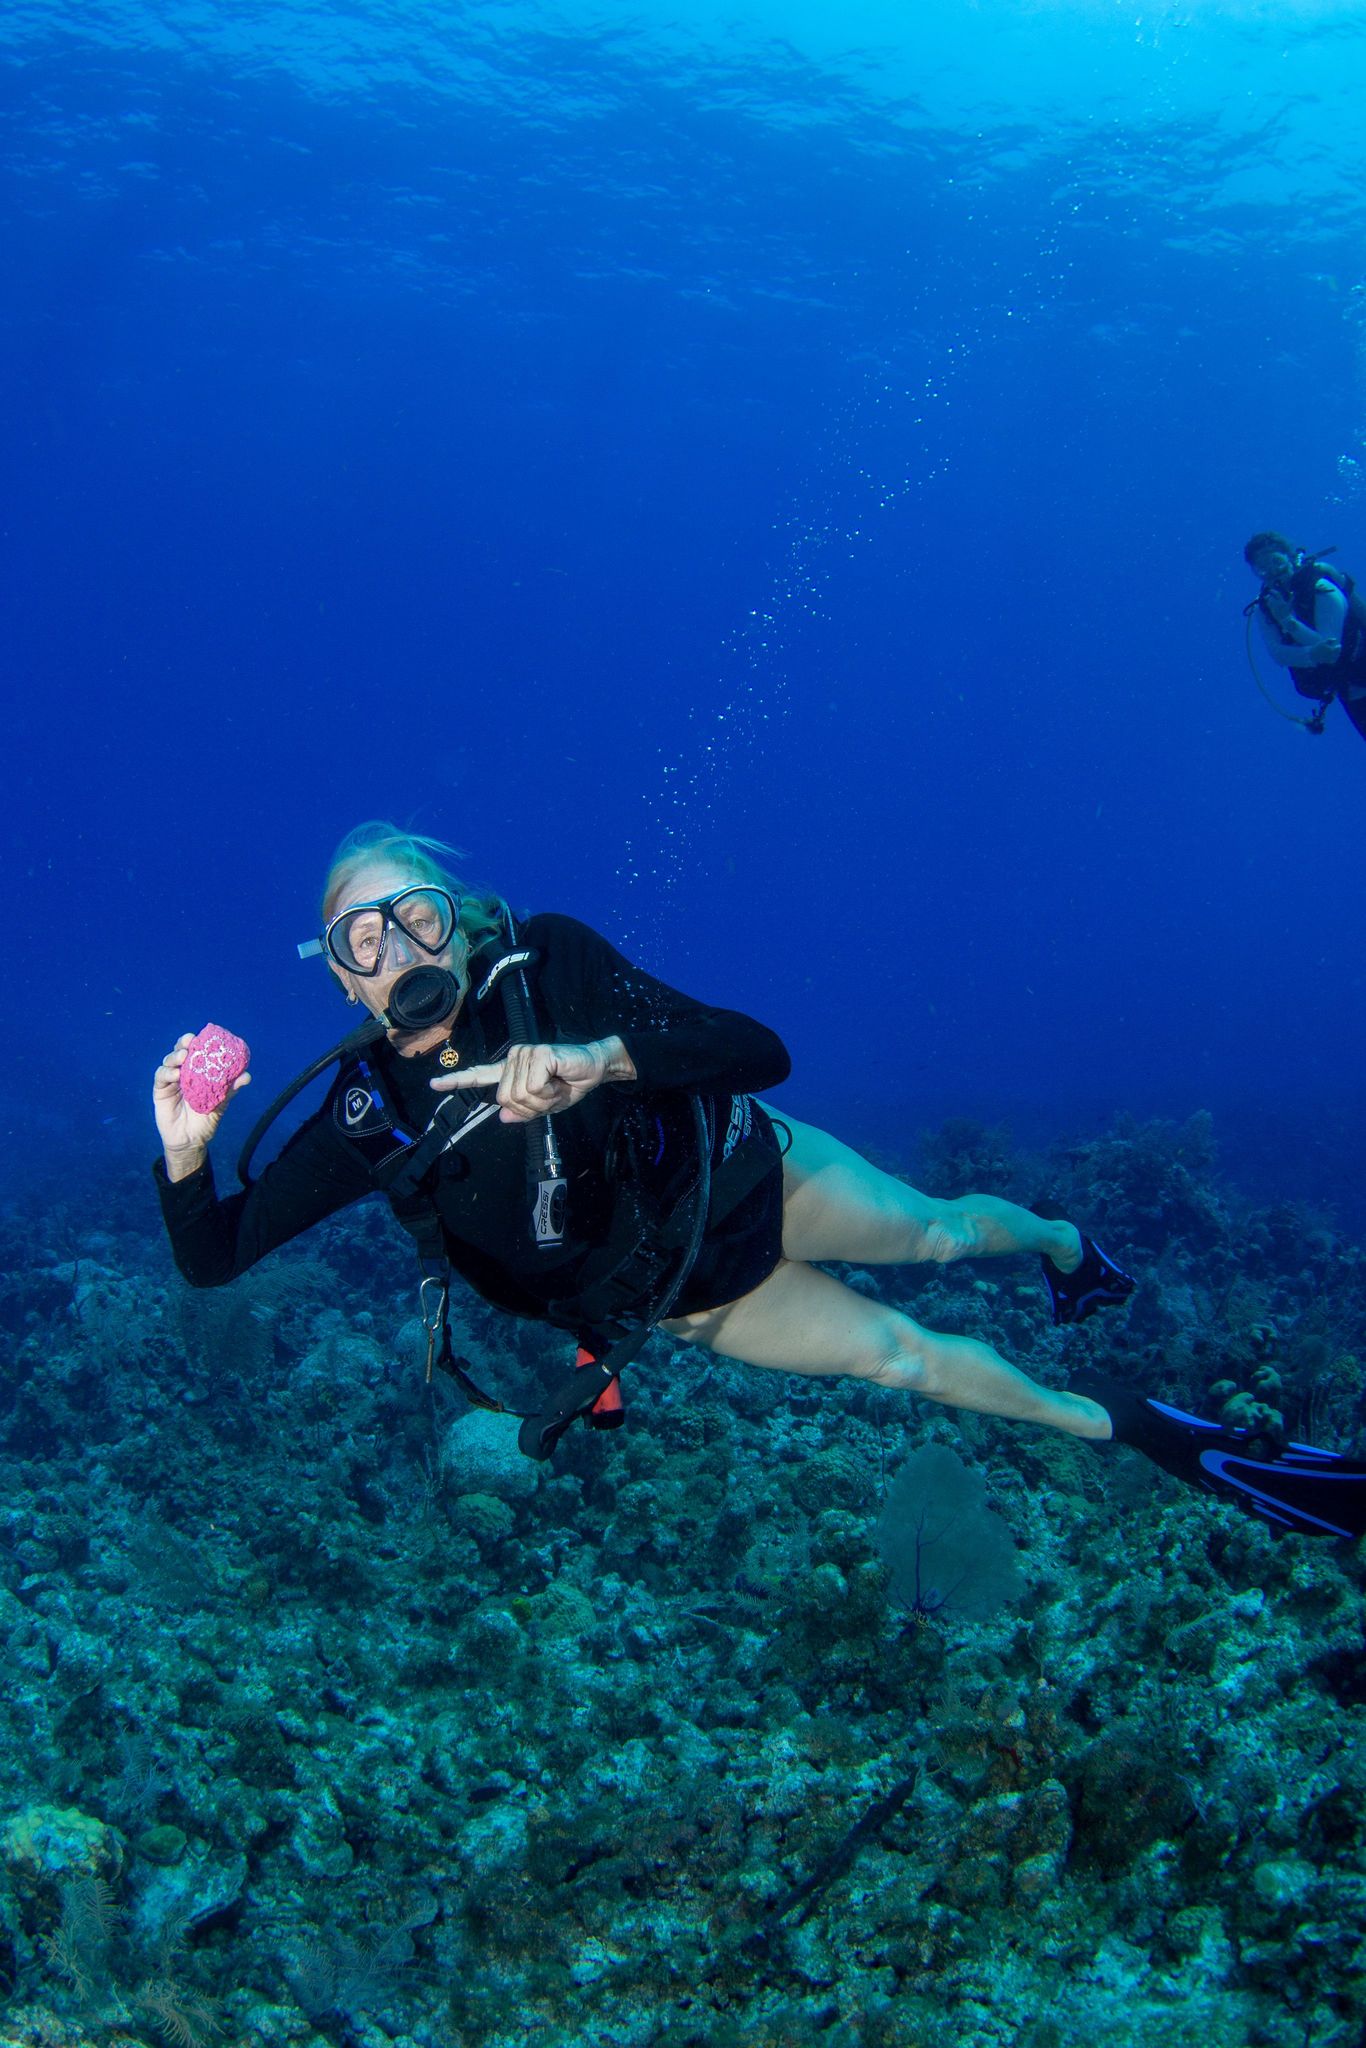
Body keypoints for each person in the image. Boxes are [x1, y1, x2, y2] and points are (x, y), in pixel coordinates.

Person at [153, 822, 1366, 1538]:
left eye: (415, 917)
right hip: (688, 1296)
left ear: (462, 923)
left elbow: (756, 1048)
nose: (400, 953)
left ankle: (1057, 1242)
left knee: (941, 1236)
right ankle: (1148, 1432)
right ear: (343, 981)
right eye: (363, 939)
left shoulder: (553, 967)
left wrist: (599, 1059)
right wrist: (185, 1149)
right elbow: (213, 1256)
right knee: (903, 1357)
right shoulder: (362, 1118)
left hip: (754, 1173)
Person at [1243, 530, 1366, 741]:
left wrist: (1289, 623)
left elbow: (1331, 650)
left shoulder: (1321, 588)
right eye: (1262, 568)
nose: (1272, 572)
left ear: (1290, 558)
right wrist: (1311, 653)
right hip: (1350, 688)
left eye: (1276, 561)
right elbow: (1278, 654)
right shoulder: (1265, 607)